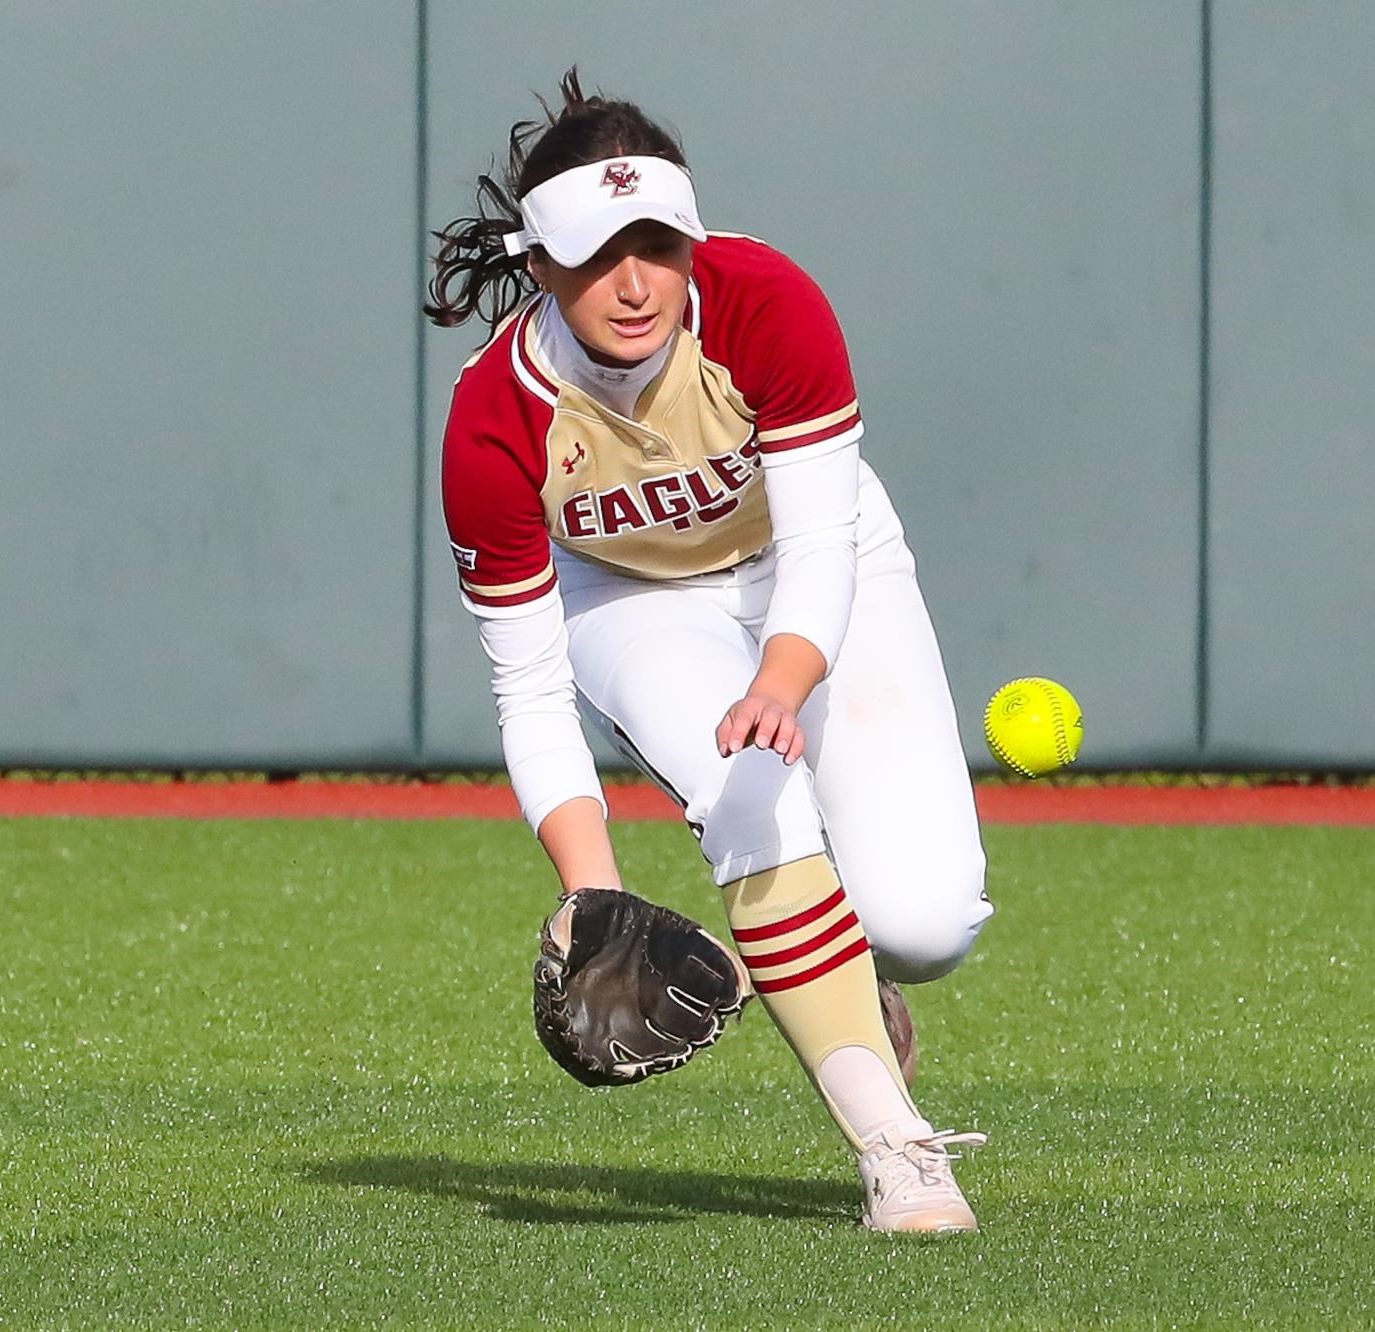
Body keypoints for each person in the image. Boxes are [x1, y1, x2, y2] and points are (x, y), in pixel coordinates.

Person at [425, 70, 993, 1233]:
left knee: (924, 922)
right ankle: (896, 1150)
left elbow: (822, 539)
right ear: (537, 266)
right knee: (754, 809)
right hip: (626, 599)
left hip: (807, 563)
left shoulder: (764, 302)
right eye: (594, 254)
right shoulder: (494, 422)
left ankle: (847, 976)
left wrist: (783, 676)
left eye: (656, 245)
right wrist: (593, 898)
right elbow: (528, 688)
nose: (633, 284)